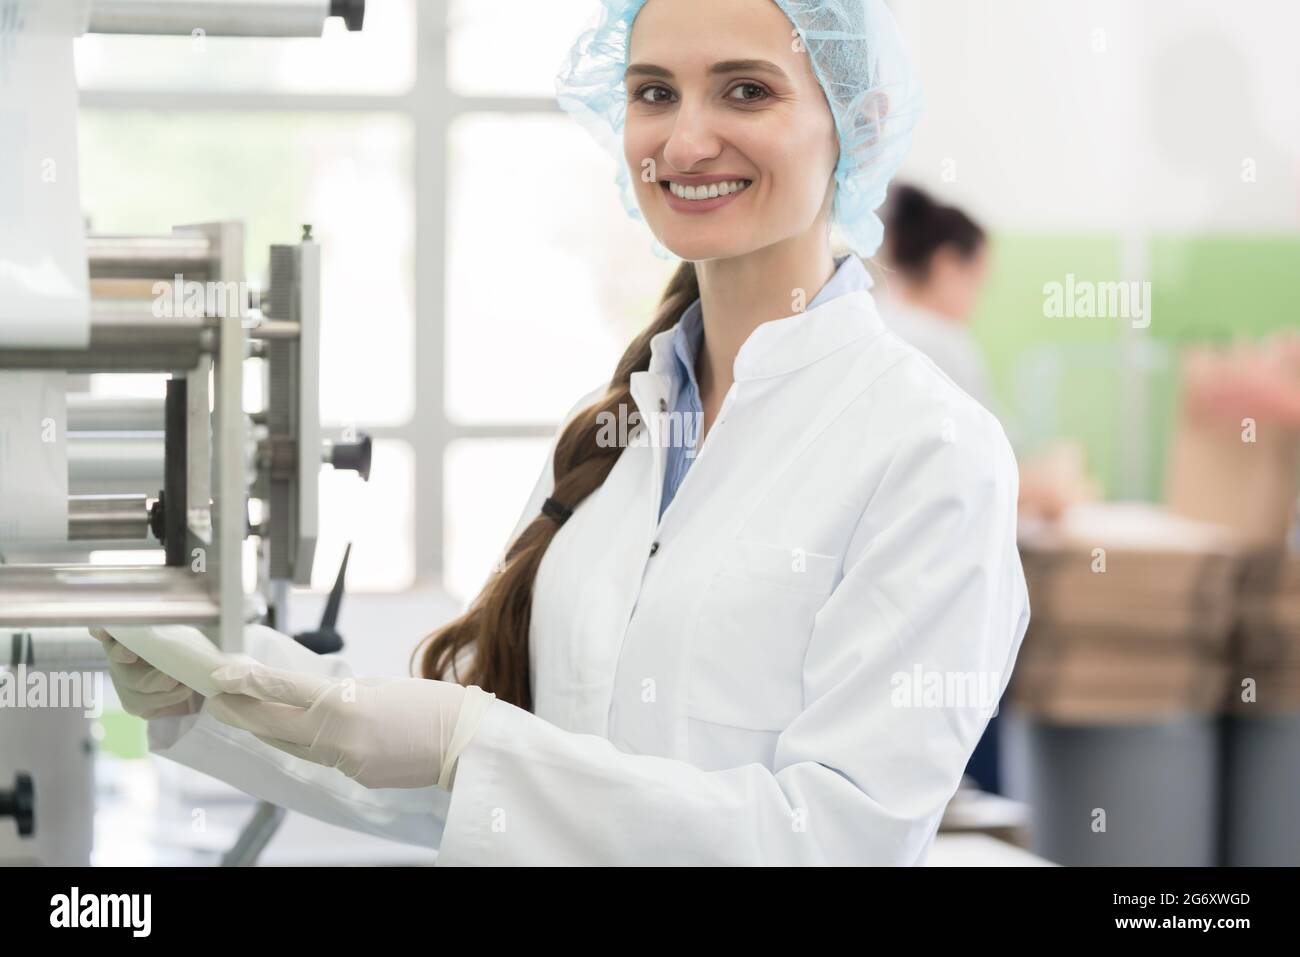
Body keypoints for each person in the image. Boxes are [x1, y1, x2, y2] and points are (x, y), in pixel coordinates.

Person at [96, 0, 1030, 865]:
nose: (687, 139)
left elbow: (830, 843)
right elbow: (495, 798)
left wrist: (473, 745)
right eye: (653, 93)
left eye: (747, 89)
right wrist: (219, 689)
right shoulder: (616, 429)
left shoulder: (929, 451)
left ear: (856, 126)